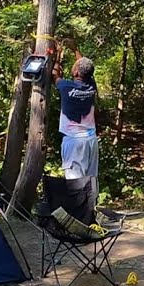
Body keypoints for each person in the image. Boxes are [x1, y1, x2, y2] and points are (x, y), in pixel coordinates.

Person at [52, 38, 99, 180]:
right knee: (90, 181)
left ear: (76, 73)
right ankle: (90, 203)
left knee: (75, 183)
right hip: (91, 139)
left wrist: (58, 55)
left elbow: (54, 75)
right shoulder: (91, 85)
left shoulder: (66, 87)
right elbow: (85, 66)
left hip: (74, 142)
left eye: (75, 66)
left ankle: (76, 203)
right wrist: (75, 49)